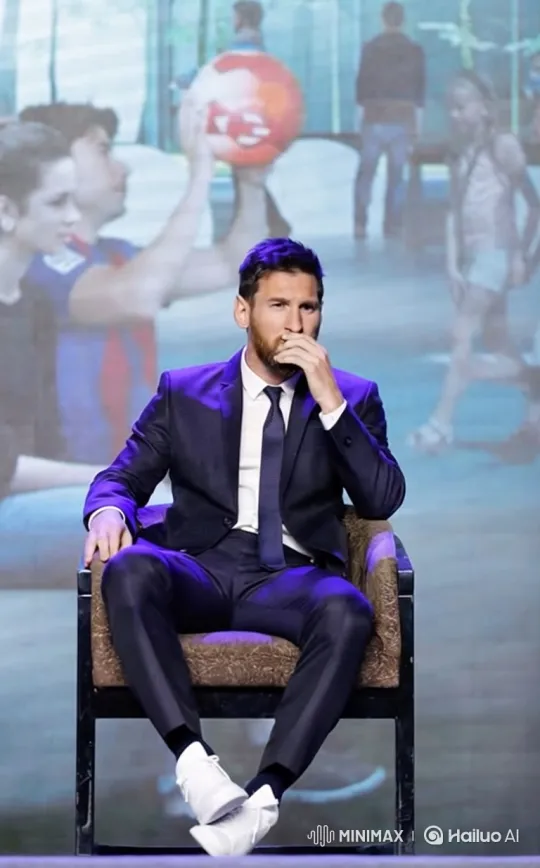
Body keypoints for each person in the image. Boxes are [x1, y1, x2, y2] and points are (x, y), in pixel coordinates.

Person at [82, 237, 406, 856]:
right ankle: (195, 765)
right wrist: (106, 512)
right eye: (278, 305)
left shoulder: (354, 396)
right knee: (128, 570)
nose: (295, 323)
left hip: (289, 578)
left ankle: (261, 799)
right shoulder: (186, 391)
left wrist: (331, 401)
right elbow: (121, 477)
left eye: (308, 308)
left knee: (348, 610)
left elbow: (380, 500)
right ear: (243, 311)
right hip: (202, 568)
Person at [18, 101, 269, 464]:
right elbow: (137, 295)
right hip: (73, 479)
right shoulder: (37, 262)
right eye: (103, 151)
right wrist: (199, 175)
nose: (123, 167)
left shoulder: (118, 255)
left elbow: (235, 265)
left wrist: (251, 182)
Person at [409, 70, 540, 452]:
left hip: (496, 255)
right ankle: (533, 391)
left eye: (462, 106)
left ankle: (441, 422)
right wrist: (451, 265)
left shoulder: (504, 146)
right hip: (473, 261)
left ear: (484, 108)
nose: (455, 114)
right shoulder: (461, 153)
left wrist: (521, 256)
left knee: (462, 334)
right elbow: (453, 212)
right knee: (498, 343)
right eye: (450, 107)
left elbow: (533, 206)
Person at [0, 121, 105, 502]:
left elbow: (47, 437)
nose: (73, 216)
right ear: (6, 210)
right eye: (57, 202)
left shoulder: (35, 303)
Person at [354, 1, 425, 239]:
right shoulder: (414, 50)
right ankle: (392, 224)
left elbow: (361, 88)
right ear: (402, 20)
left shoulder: (370, 48)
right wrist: (418, 125)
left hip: (374, 117)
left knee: (366, 173)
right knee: (397, 176)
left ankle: (360, 223)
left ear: (382, 19)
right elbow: (419, 91)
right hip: (403, 119)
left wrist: (360, 120)